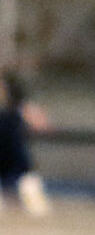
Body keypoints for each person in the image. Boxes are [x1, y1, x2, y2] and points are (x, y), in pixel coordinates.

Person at [0, 73, 50, 217]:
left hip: (19, 169)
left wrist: (28, 114)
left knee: (37, 209)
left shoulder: (20, 109)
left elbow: (43, 126)